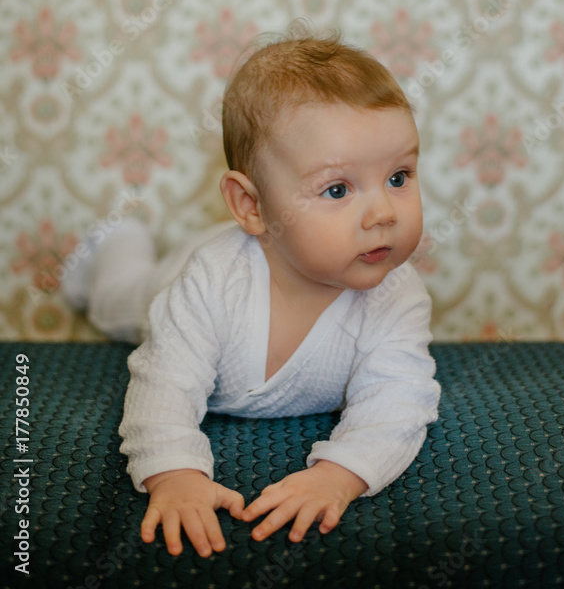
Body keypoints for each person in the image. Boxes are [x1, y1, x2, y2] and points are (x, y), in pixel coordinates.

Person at [65, 30, 440, 558]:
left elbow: (399, 401)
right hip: (180, 274)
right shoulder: (207, 286)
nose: (384, 213)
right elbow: (162, 387)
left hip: (253, 250)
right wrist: (174, 474)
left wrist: (340, 475)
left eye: (399, 176)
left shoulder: (396, 294)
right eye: (338, 189)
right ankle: (119, 239)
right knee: (116, 304)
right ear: (252, 205)